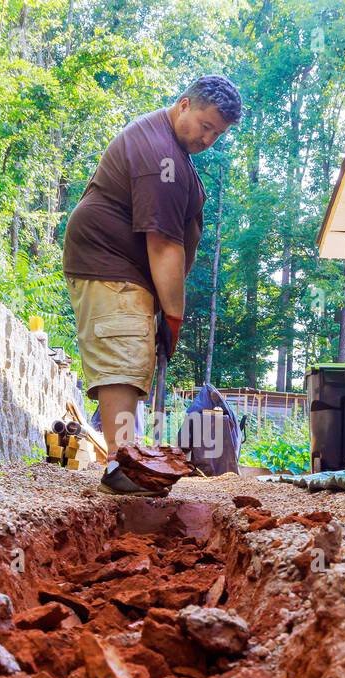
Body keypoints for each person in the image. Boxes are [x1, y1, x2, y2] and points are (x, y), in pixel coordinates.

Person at [62, 75, 242, 496]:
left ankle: (127, 461)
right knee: (123, 352)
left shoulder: (173, 153)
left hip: (125, 268)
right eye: (205, 125)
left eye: (218, 133)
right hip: (108, 261)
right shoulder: (160, 154)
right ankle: (121, 466)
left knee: (133, 354)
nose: (209, 138)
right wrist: (174, 316)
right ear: (183, 105)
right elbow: (164, 247)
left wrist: (164, 313)